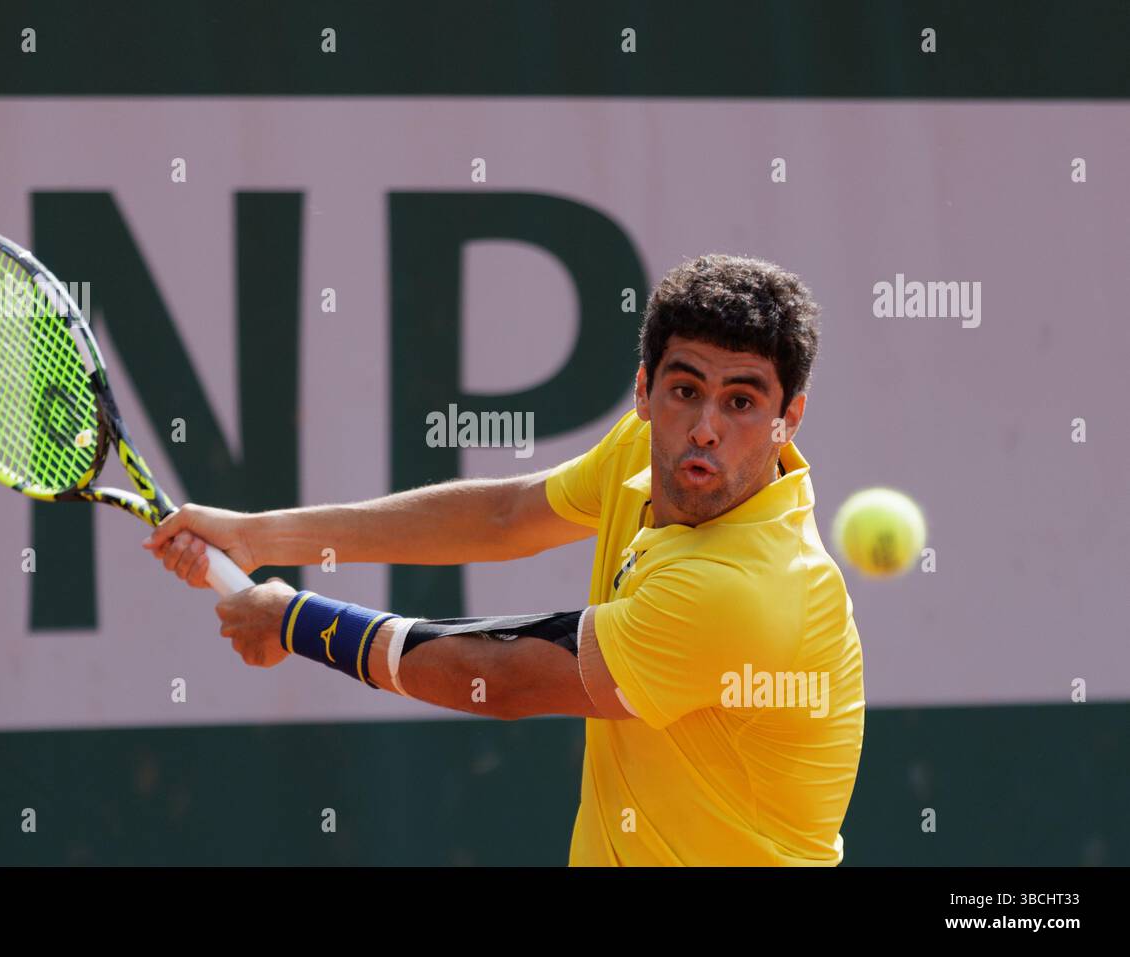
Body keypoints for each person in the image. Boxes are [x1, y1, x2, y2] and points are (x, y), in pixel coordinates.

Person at [144, 253, 865, 866]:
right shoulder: (640, 455)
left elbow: (501, 676)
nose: (705, 427)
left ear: (788, 417)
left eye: (741, 401)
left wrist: (294, 619)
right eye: (686, 391)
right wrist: (259, 536)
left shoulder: (749, 590)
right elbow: (502, 516)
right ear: (644, 393)